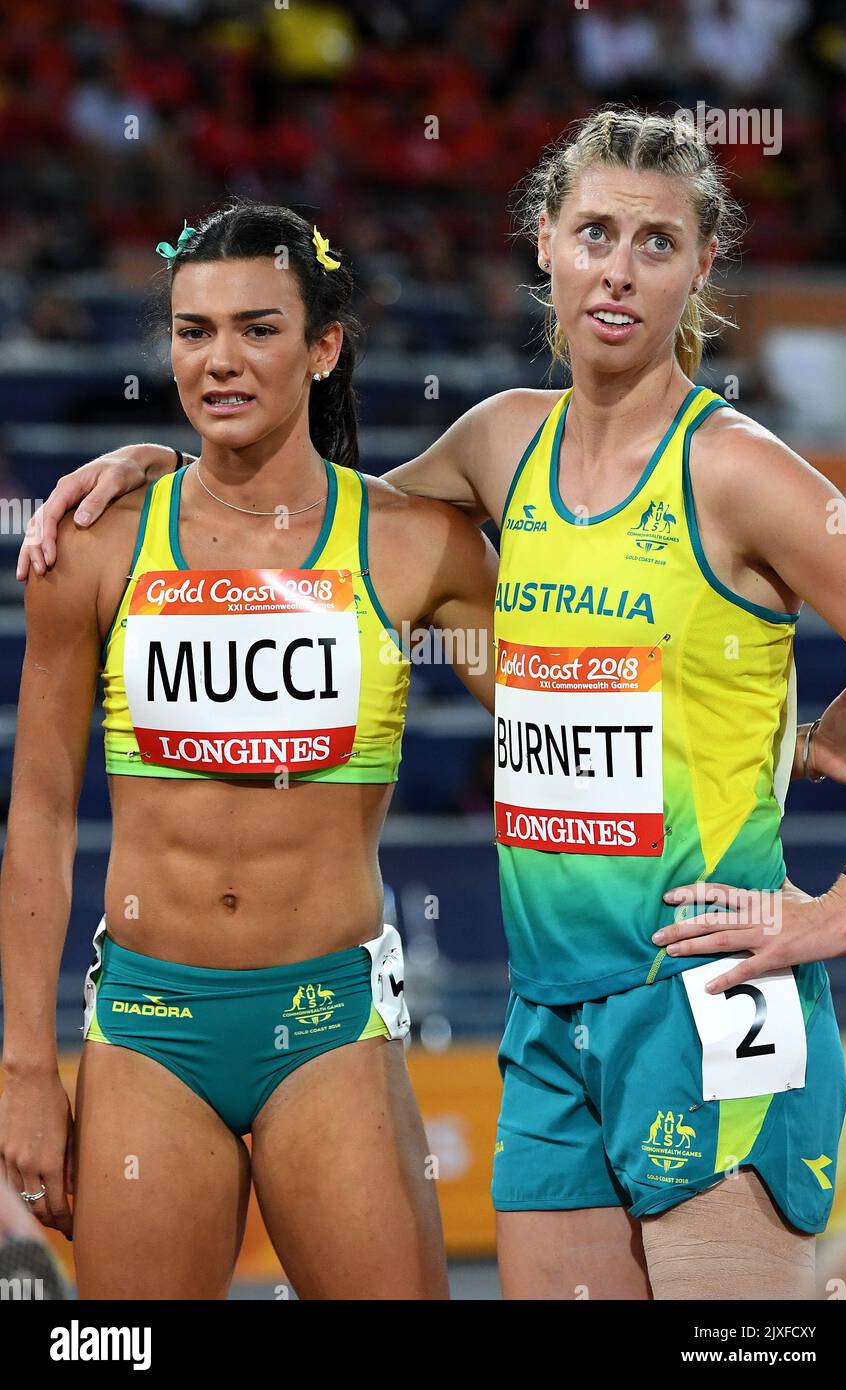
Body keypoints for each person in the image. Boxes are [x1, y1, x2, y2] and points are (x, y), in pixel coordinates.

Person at [16, 108, 846, 1300]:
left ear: (702, 263)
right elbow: (309, 525)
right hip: (550, 1017)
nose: (616, 272)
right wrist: (157, 467)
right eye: (592, 234)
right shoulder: (496, 444)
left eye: (655, 244)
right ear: (542, 245)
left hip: (707, 991)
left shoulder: (736, 467)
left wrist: (840, 907)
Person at [0, 200, 500, 1300]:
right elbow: (37, 809)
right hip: (144, 1028)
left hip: (329, 1025)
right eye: (193, 331)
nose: (219, 360)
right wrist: (27, 1063)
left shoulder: (418, 548)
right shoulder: (94, 546)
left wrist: (789, 746)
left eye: (258, 329)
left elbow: (563, 724)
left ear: (323, 346)